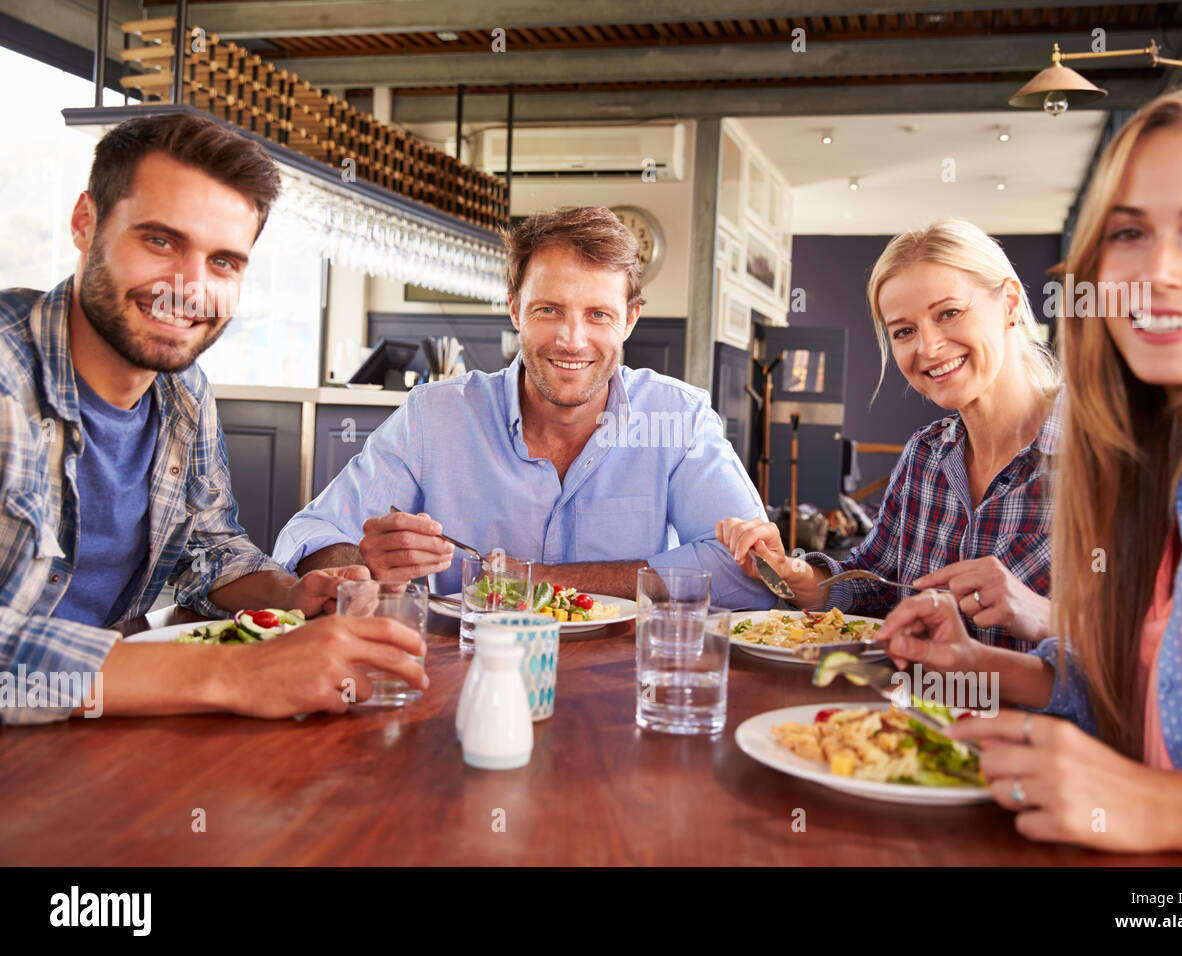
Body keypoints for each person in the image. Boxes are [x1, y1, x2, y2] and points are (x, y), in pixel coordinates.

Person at [879, 84, 1182, 863]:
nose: (1156, 272)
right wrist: (982, 665)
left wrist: (1163, 807)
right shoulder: (1157, 452)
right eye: (1130, 234)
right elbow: (1139, 695)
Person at [0, 112, 425, 725]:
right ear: (85, 223)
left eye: (224, 262)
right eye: (160, 241)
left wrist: (290, 593)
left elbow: (206, 548)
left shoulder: (182, 390)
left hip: (99, 732)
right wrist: (234, 674)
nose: (189, 289)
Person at [274, 206, 773, 610]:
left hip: (621, 688)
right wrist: (360, 563)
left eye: (598, 314)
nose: (572, 340)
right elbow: (309, 536)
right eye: (548, 310)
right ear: (515, 309)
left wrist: (541, 581)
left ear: (630, 320)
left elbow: (751, 570)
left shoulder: (677, 419)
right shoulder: (436, 416)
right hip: (461, 682)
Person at [717, 219, 1060, 651]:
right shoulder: (924, 455)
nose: (928, 347)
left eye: (949, 313)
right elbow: (874, 587)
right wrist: (791, 571)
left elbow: (1150, 642)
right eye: (904, 331)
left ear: (1009, 304)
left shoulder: (1104, 457)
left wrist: (1043, 614)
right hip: (906, 715)